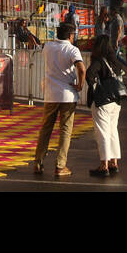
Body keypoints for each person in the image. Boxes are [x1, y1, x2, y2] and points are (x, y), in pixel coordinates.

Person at [33, 23, 85, 177]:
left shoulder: (48, 47)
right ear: (71, 35)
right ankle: (60, 165)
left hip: (50, 93)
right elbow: (81, 68)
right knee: (65, 130)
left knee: (45, 129)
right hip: (68, 95)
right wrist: (80, 85)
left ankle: (38, 163)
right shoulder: (72, 49)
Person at [85, 36, 126, 176]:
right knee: (113, 131)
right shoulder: (114, 60)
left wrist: (95, 87)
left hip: (103, 101)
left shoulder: (99, 61)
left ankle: (104, 165)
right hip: (116, 100)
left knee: (102, 132)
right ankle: (114, 163)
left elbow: (89, 74)